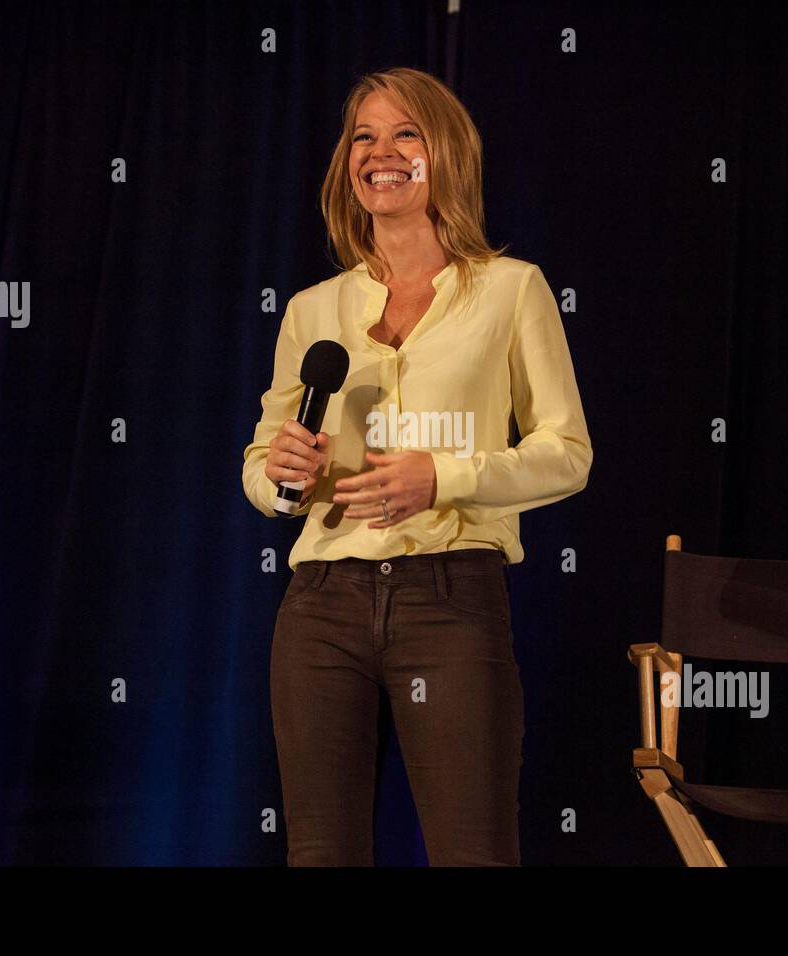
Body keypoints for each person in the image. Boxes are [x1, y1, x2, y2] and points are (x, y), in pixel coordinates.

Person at [240, 66, 592, 865]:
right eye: (363, 136)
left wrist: (443, 477)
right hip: (322, 604)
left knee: (474, 851)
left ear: (447, 156)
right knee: (320, 854)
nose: (380, 152)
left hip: (451, 600)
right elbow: (266, 465)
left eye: (405, 134)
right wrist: (285, 478)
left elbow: (566, 455)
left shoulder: (511, 291)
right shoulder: (312, 311)